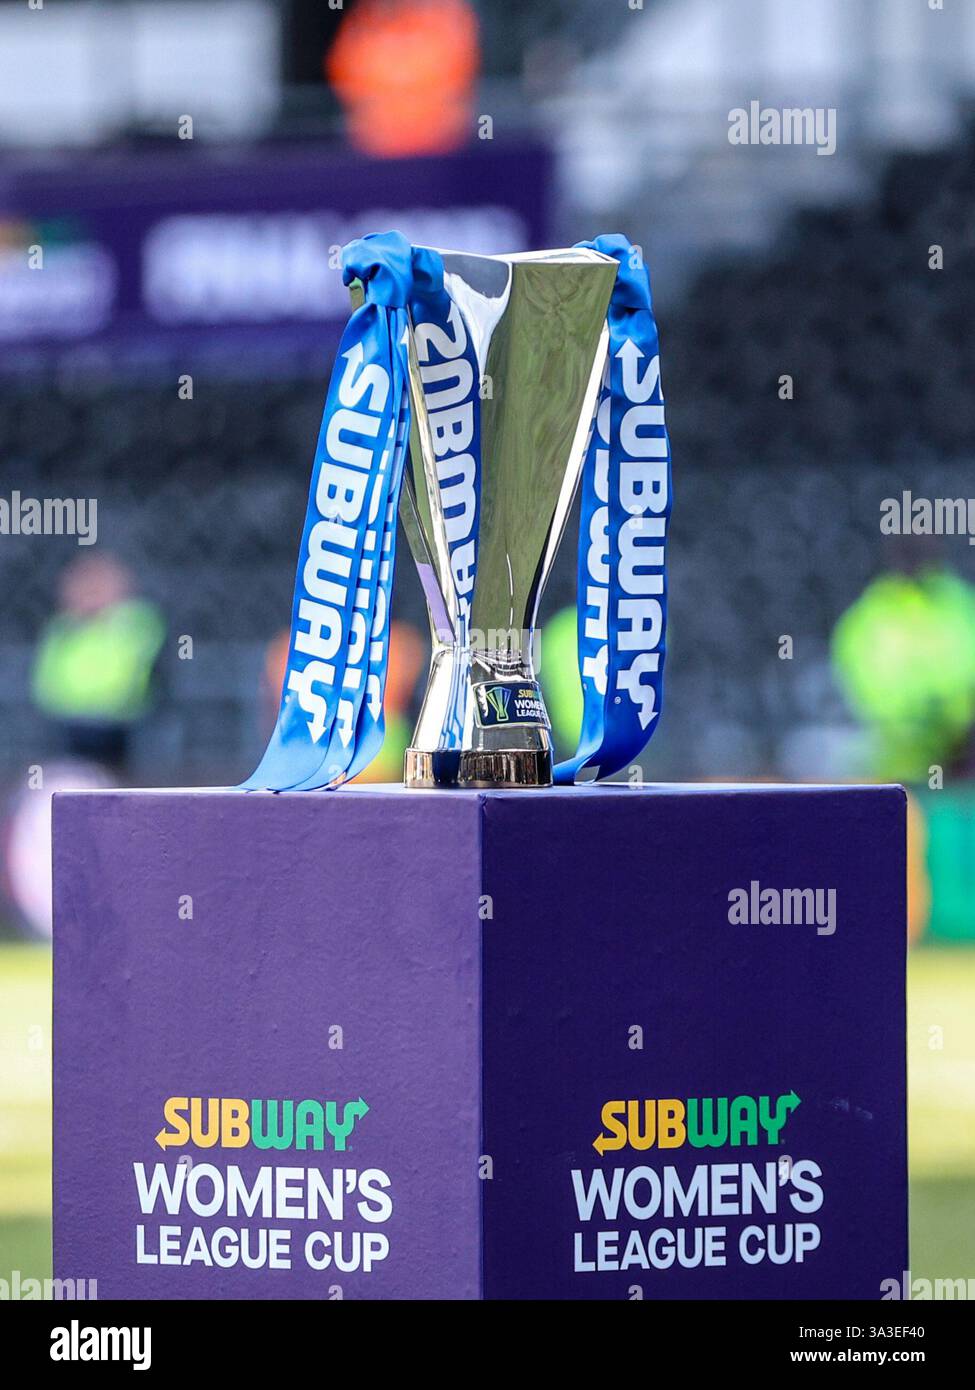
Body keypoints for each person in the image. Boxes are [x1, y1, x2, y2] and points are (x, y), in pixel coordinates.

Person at [31, 554, 166, 773]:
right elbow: (48, 680)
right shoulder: (62, 628)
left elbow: (135, 670)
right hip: (70, 725)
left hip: (123, 725)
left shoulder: (135, 622)